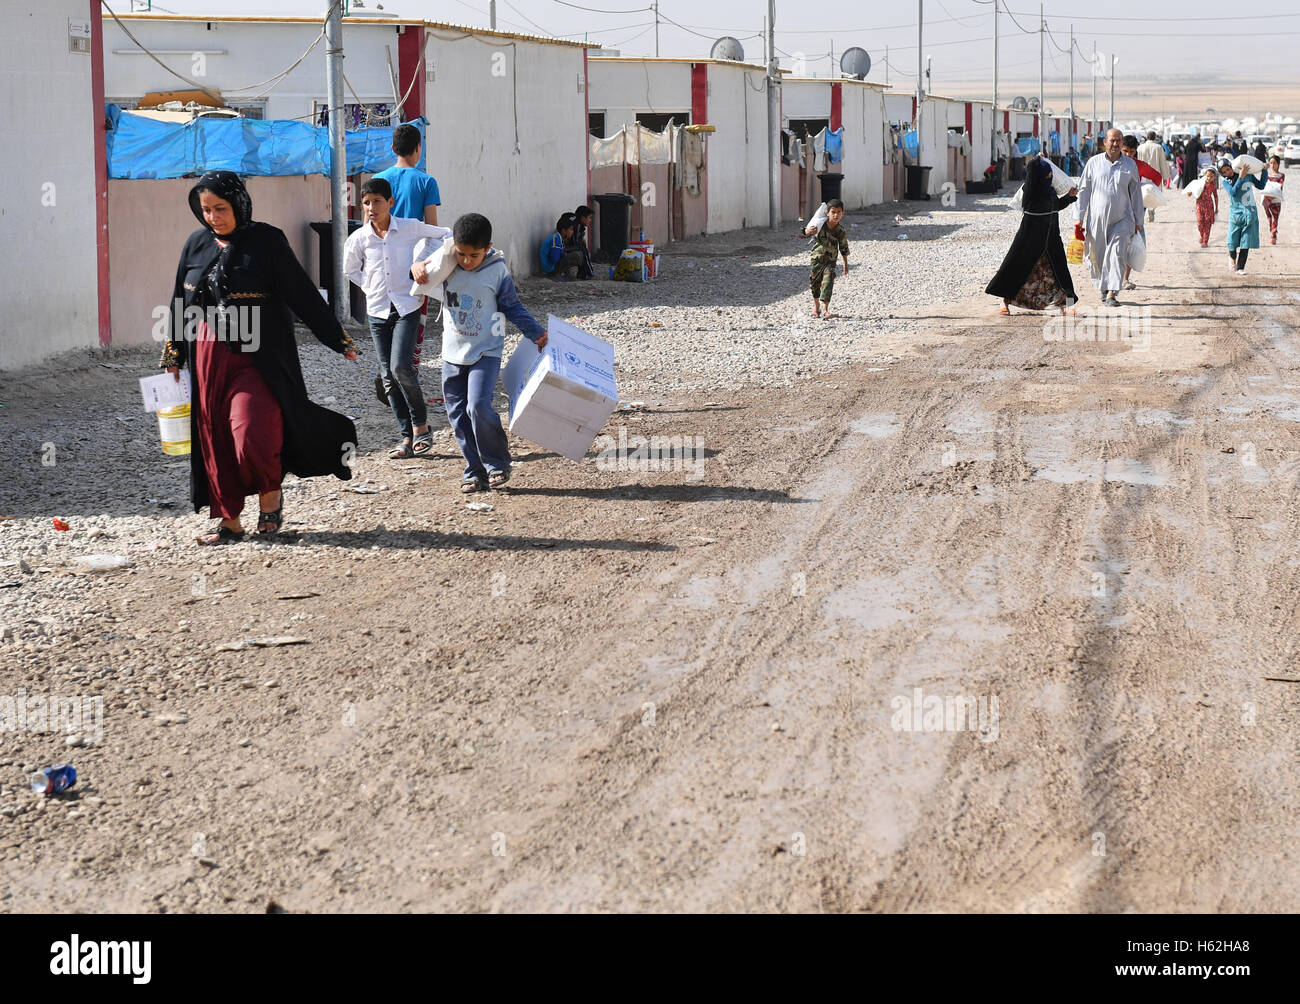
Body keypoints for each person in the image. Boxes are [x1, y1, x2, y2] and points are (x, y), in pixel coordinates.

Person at [161, 171, 359, 545]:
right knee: (214, 436)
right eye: (206, 210)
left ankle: (271, 494)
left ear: (239, 204)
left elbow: (301, 293)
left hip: (258, 356)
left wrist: (337, 338)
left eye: (220, 208)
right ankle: (229, 521)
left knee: (252, 430)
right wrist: (173, 351)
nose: (213, 217)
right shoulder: (196, 245)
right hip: (207, 355)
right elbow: (179, 300)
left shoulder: (266, 241)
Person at [435, 213, 548, 492]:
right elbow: (419, 267)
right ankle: (474, 470)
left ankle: (497, 463)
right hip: (451, 353)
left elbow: (512, 306)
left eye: (474, 255)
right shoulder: (445, 264)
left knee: (478, 406)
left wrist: (537, 333)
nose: (466, 261)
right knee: (457, 413)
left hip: (486, 350)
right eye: (461, 254)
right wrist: (417, 268)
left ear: (488, 247)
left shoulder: (497, 271)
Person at [344, 177, 452, 459]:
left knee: (401, 368)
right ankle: (406, 436)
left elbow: (445, 234)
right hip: (377, 311)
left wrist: (424, 263)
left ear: (390, 202)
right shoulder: (359, 238)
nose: (371, 207)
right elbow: (350, 270)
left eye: (377, 201)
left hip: (408, 307)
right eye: (366, 203)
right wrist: (370, 287)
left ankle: (421, 428)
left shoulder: (409, 228)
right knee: (387, 376)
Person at [985, 155, 1078, 316]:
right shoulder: (1029, 192)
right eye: (1047, 173)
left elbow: (1055, 207)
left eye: (1050, 173)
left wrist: (1069, 198)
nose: (1050, 176)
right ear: (1038, 175)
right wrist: (1036, 161)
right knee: (1017, 269)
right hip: (1029, 240)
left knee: (1061, 273)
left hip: (1051, 239)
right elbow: (1033, 173)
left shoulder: (1050, 190)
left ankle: (1068, 305)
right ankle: (1004, 301)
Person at [1077, 128, 1145, 307]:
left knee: (1117, 253)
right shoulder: (1093, 163)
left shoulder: (1130, 165)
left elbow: (1136, 194)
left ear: (1122, 143)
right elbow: (1083, 191)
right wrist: (1079, 217)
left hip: (1123, 219)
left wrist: (1139, 220)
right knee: (1098, 256)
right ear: (1105, 143)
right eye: (1112, 141)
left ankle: (1112, 293)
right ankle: (1103, 287)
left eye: (1118, 141)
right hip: (1097, 220)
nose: (1115, 144)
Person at [372, 123, 442, 225]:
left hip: (385, 240)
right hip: (416, 240)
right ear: (418, 148)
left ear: (393, 149)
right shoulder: (427, 182)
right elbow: (432, 226)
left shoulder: (376, 179)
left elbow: (368, 225)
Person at [1218, 157, 1267, 273]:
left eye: (1228, 169)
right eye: (1224, 172)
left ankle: (1240, 268)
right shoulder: (1226, 182)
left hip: (1250, 214)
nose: (1227, 173)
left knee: (1246, 241)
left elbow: (1261, 185)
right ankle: (1232, 258)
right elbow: (1233, 193)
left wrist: (1264, 170)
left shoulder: (1248, 175)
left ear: (1231, 166)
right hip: (1236, 215)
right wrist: (1241, 177)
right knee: (1232, 242)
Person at [807, 198, 850, 319]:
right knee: (815, 284)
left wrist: (846, 265)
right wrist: (808, 231)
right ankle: (816, 308)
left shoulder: (840, 230)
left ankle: (825, 309)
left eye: (839, 212)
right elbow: (806, 232)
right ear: (827, 213)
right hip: (816, 260)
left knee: (828, 282)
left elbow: (844, 248)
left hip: (830, 262)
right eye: (833, 212)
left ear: (843, 213)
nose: (836, 215)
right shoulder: (820, 224)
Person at [540, 213, 585, 281]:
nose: (572, 232)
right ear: (564, 230)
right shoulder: (556, 239)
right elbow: (554, 258)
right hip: (549, 267)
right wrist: (564, 255)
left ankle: (560, 273)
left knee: (579, 254)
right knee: (576, 255)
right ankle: (556, 274)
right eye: (571, 229)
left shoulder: (559, 238)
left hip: (552, 265)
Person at [1137, 130, 1171, 220]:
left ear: (1147, 137)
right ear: (1155, 137)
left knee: (1144, 193)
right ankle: (1151, 210)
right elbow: (1162, 163)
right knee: (1154, 193)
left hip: (1143, 174)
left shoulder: (1140, 147)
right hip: (1155, 175)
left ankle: (1146, 210)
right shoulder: (1158, 147)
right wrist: (1165, 177)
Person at [567, 205, 596, 279]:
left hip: (569, 247)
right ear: (583, 218)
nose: (590, 220)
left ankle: (583, 273)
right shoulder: (575, 225)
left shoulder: (579, 224)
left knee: (582, 246)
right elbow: (574, 242)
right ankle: (589, 273)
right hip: (565, 248)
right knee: (582, 249)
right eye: (589, 218)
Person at [1194, 167, 1220, 248]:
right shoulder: (1200, 184)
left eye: (1211, 176)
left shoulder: (1213, 186)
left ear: (1214, 177)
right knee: (1199, 223)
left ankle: (1205, 241)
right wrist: (1189, 193)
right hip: (1199, 205)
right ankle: (1202, 235)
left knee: (1208, 224)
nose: (1209, 178)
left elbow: (1216, 196)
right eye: (1208, 176)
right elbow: (1193, 190)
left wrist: (1216, 208)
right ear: (1205, 175)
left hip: (1209, 206)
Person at [1262, 155, 1284, 245]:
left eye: (1274, 163)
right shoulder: (1267, 174)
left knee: (1275, 217)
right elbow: (1263, 184)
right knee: (1269, 217)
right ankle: (1272, 230)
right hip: (1266, 199)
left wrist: (1273, 196)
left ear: (1278, 164)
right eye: (1271, 163)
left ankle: (1273, 236)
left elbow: (1280, 186)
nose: (1272, 165)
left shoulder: (1281, 175)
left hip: (1276, 199)